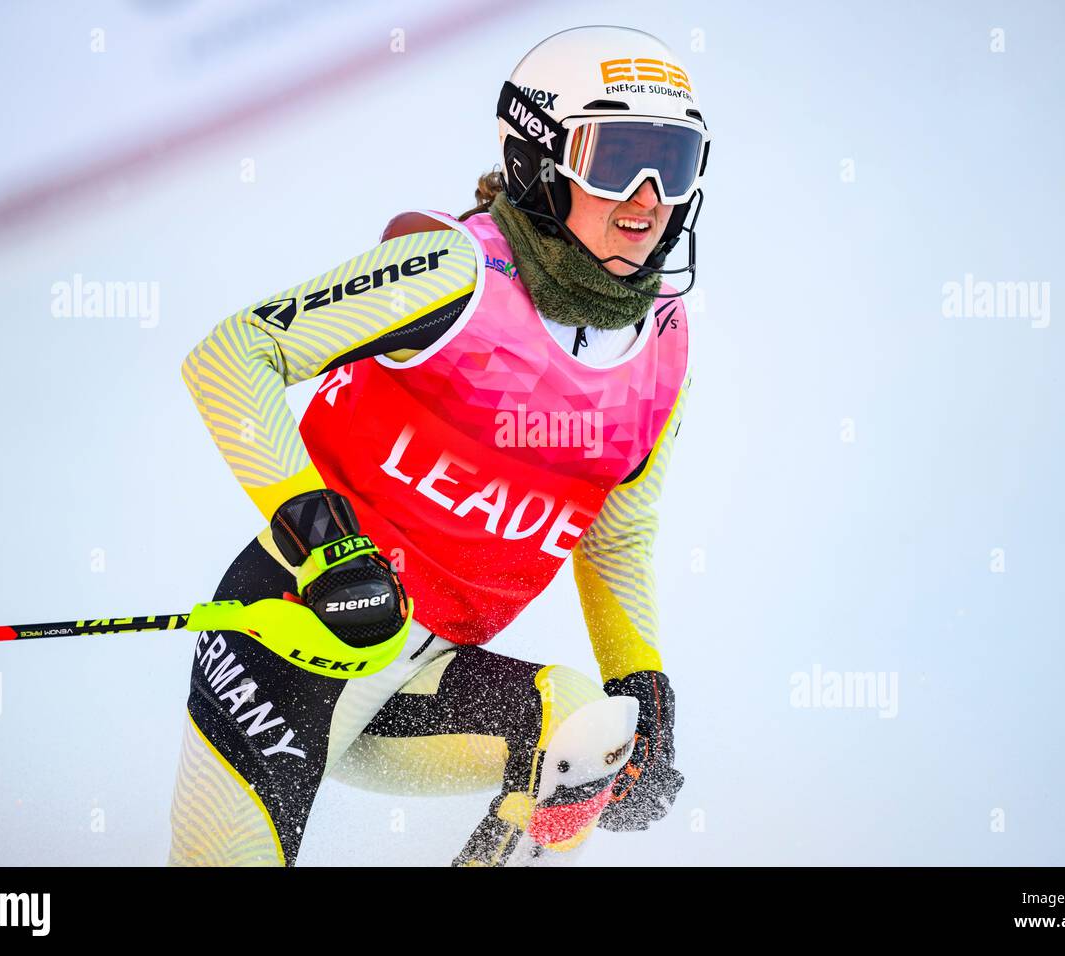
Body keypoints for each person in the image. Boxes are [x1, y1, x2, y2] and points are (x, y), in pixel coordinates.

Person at [167, 23, 710, 867]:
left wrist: (643, 683)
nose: (648, 198)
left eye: (672, 165)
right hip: (295, 639)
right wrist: (327, 545)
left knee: (586, 738)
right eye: (615, 162)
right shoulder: (452, 274)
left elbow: (617, 536)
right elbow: (231, 356)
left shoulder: (663, 355)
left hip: (422, 682)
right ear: (538, 159)